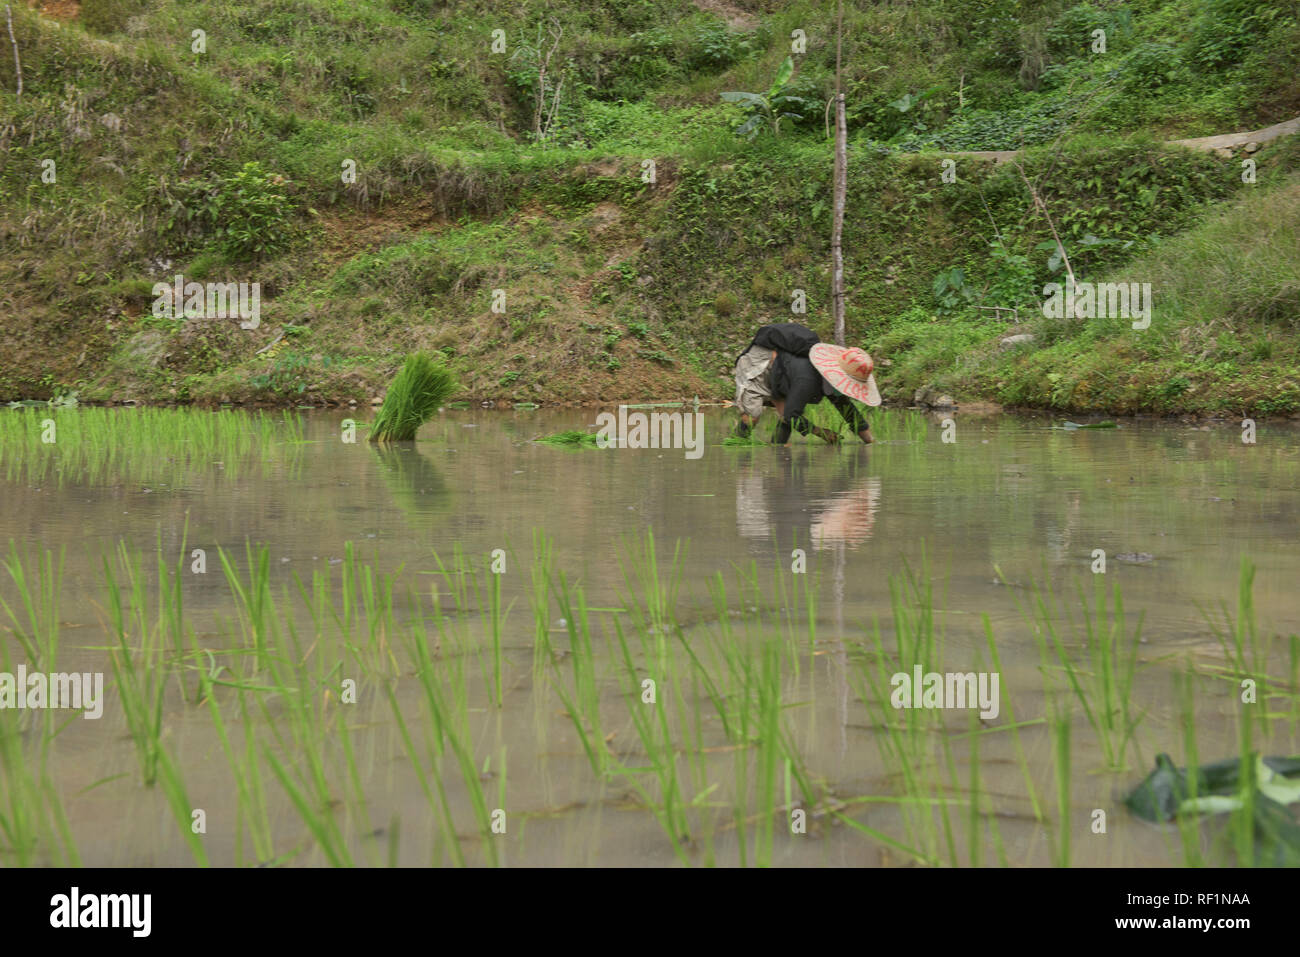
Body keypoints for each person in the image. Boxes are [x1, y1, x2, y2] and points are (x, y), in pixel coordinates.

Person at [733, 323, 881, 445]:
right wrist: (820, 432)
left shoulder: (830, 382)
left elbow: (848, 410)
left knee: (788, 412)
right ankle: (736, 445)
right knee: (752, 418)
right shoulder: (808, 380)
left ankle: (777, 450)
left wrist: (870, 441)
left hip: (781, 373)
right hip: (757, 364)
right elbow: (792, 416)